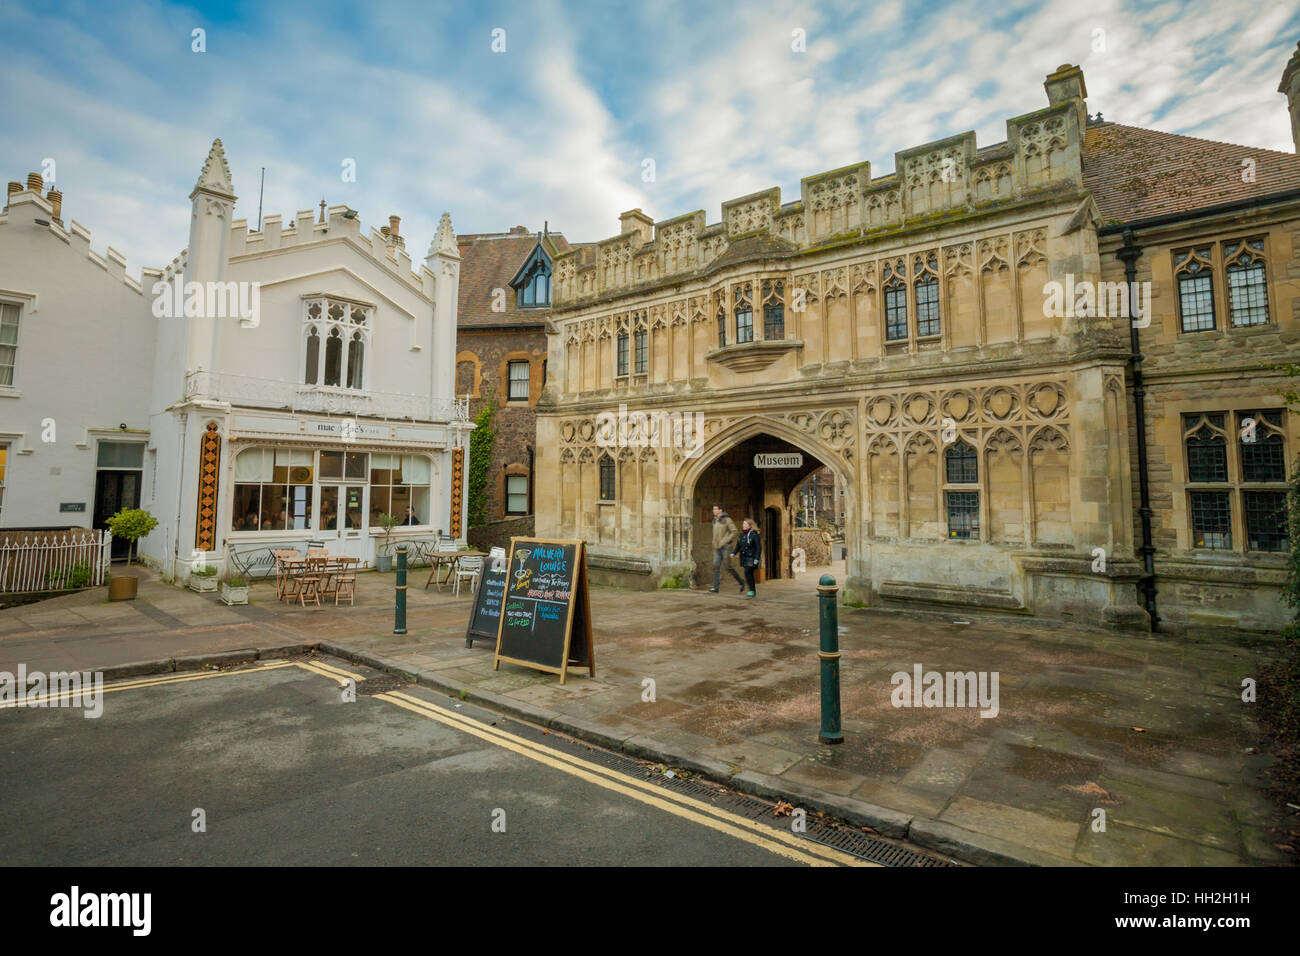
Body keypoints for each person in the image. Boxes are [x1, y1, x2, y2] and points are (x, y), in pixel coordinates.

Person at [709, 503, 745, 594]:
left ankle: (741, 582)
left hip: (726, 547)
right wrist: (714, 542)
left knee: (728, 567)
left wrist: (725, 540)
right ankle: (716, 587)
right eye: (713, 509)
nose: (714, 511)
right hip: (717, 547)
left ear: (720, 510)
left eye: (715, 509)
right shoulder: (714, 520)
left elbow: (734, 531)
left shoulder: (727, 520)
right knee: (715, 566)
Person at [736, 518, 761, 599]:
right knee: (749, 574)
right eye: (743, 524)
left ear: (750, 526)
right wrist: (734, 553)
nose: (743, 525)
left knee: (747, 572)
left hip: (752, 558)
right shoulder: (742, 535)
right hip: (744, 558)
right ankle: (752, 591)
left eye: (745, 524)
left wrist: (756, 558)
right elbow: (738, 546)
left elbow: (758, 548)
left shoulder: (754, 535)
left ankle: (751, 590)